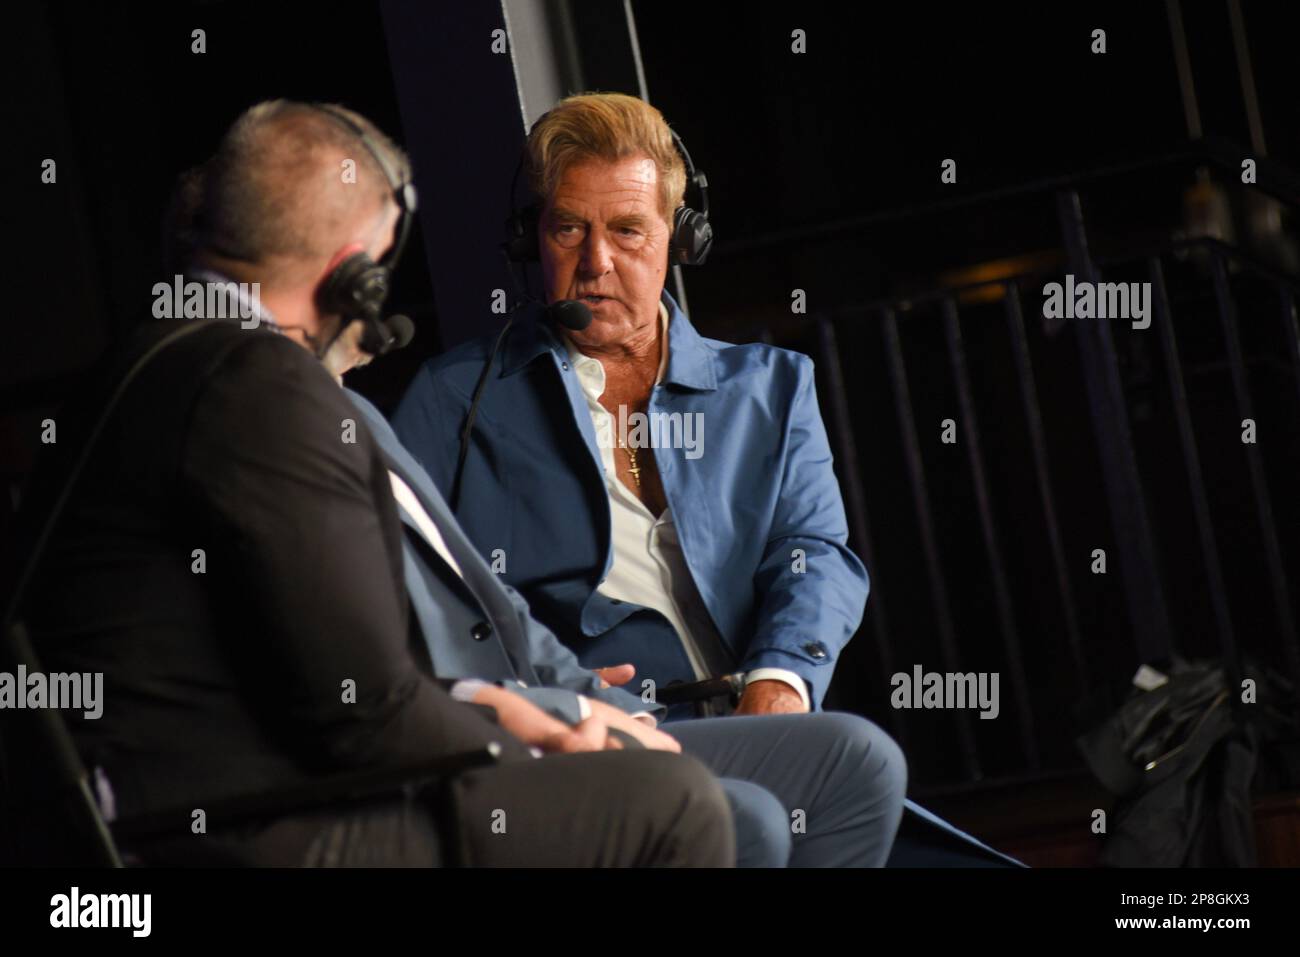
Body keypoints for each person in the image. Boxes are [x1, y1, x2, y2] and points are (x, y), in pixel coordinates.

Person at [8, 99, 735, 868]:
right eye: (382, 264)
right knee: (675, 804)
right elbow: (366, 710)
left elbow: (320, 669)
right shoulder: (263, 384)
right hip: (243, 828)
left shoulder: (154, 359)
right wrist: (544, 737)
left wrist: (511, 712)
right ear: (350, 272)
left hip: (166, 809)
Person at [392, 92, 1020, 866]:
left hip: (759, 729)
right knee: (791, 799)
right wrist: (538, 691)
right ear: (531, 239)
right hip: (590, 735)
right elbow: (405, 600)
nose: (595, 263)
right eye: (567, 228)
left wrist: (783, 677)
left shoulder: (771, 387)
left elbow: (815, 551)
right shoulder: (456, 399)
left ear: (678, 240)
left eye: (626, 230)